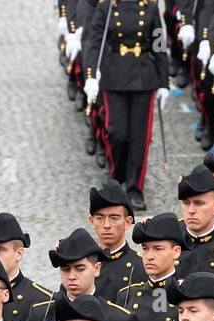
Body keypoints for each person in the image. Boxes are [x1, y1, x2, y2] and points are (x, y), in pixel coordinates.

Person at [81, 0, 171, 210]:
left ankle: (134, 188)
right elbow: (95, 43)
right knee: (117, 131)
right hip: (114, 76)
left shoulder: (149, 7)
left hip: (143, 77)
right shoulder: (107, 6)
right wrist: (91, 75)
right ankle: (117, 173)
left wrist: (164, 81)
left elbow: (159, 44)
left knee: (140, 137)